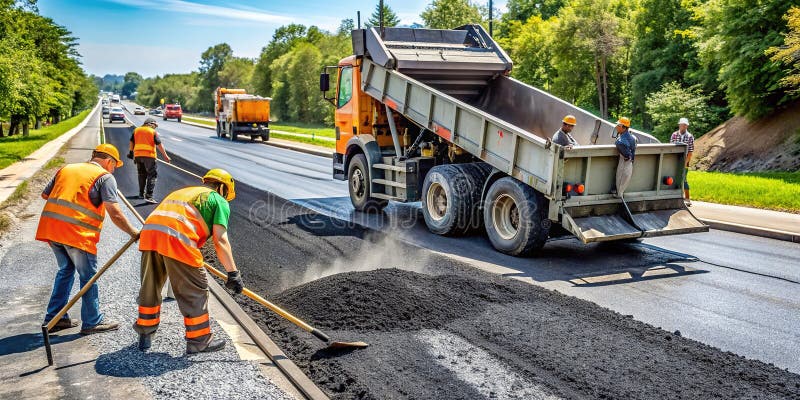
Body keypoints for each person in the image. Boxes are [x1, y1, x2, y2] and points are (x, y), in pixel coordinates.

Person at [134, 168, 244, 354]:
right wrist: (233, 273)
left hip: (150, 234)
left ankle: (145, 334)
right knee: (195, 289)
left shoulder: (183, 192)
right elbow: (220, 240)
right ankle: (199, 341)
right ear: (223, 188)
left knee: (150, 287)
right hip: (177, 239)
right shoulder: (218, 200)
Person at [36, 144, 140, 335]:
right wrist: (133, 232)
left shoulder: (66, 169)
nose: (114, 169)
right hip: (76, 234)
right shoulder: (104, 177)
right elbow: (114, 212)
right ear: (108, 162)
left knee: (65, 270)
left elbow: (45, 194)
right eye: (114, 165)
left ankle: (55, 318)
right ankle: (92, 321)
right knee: (89, 277)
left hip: (51, 230)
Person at [128, 117, 171, 203]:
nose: (155, 127)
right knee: (152, 175)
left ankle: (141, 194)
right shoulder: (152, 132)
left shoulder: (136, 130)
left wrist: (131, 152)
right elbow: (159, 144)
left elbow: (131, 141)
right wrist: (165, 156)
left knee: (141, 174)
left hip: (138, 156)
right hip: (149, 156)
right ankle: (149, 196)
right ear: (150, 124)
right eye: (155, 125)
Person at [670, 117, 694, 206]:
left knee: (684, 179)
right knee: (674, 178)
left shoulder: (690, 137)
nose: (682, 126)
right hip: (675, 160)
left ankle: (687, 198)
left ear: (687, 126)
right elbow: (671, 147)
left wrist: (685, 163)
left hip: (685, 160)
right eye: (681, 125)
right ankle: (675, 197)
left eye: (684, 125)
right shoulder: (674, 135)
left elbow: (690, 152)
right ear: (679, 125)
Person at [613, 117, 637, 198]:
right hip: (630, 163)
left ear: (623, 127)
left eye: (618, 125)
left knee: (620, 180)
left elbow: (627, 155)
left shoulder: (619, 141)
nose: (616, 127)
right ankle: (620, 193)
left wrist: (628, 157)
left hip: (625, 162)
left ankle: (619, 195)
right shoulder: (633, 138)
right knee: (624, 181)